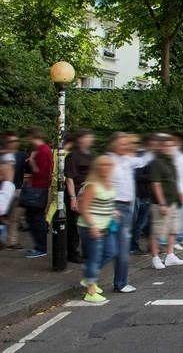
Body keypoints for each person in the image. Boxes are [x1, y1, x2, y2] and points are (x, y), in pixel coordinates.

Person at [108, 132, 149, 292]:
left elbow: (144, 160)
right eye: (123, 143)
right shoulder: (109, 161)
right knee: (118, 247)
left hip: (126, 207)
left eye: (127, 144)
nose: (126, 146)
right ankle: (120, 283)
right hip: (115, 208)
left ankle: (118, 282)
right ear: (114, 144)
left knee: (117, 247)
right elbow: (103, 185)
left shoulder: (126, 159)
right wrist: (110, 208)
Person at [76, 155, 117, 303]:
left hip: (105, 227)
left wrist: (113, 212)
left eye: (109, 165)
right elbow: (83, 208)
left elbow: (105, 202)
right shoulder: (92, 185)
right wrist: (92, 226)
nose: (106, 168)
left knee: (110, 252)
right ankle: (90, 292)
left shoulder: (109, 183)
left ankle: (89, 277)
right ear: (97, 168)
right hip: (90, 227)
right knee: (94, 258)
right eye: (103, 165)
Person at [149, 135, 183, 269]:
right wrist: (162, 203)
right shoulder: (156, 163)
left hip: (174, 201)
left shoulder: (171, 162)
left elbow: (174, 181)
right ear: (161, 147)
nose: (169, 148)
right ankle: (155, 257)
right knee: (157, 232)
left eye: (171, 145)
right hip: (162, 203)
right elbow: (156, 184)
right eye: (166, 145)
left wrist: (179, 194)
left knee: (173, 229)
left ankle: (170, 256)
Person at [64, 129, 95, 264]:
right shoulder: (72, 156)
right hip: (76, 193)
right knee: (73, 224)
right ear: (80, 139)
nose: (91, 139)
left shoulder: (91, 155)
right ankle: (72, 252)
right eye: (88, 137)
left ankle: (87, 251)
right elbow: (69, 178)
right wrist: (73, 198)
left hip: (88, 193)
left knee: (86, 222)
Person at [21, 129, 52, 258]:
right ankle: (39, 247)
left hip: (38, 189)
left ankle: (41, 248)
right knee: (34, 217)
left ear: (33, 137)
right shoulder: (44, 149)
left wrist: (32, 160)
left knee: (35, 218)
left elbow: (40, 172)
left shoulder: (42, 151)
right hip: (38, 188)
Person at [130, 134, 157, 254]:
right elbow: (136, 176)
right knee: (138, 223)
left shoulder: (152, 157)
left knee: (146, 223)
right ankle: (133, 247)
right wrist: (153, 177)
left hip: (147, 195)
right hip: (138, 195)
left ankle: (151, 246)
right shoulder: (139, 157)